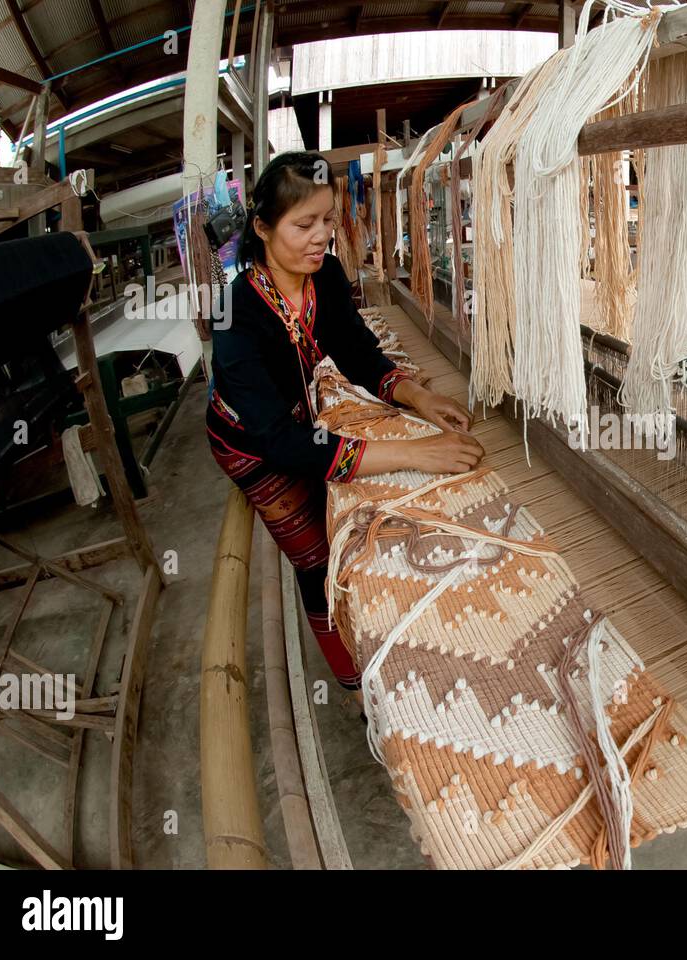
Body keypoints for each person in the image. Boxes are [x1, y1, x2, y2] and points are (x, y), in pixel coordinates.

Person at [206, 151, 484, 690]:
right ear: (262, 228)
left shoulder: (325, 276)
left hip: (296, 420)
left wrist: (418, 400)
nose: (321, 237)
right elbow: (280, 441)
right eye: (303, 224)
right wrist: (413, 453)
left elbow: (357, 351)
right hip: (250, 442)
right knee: (315, 559)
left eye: (328, 220)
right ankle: (354, 683)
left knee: (338, 518)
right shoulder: (235, 314)